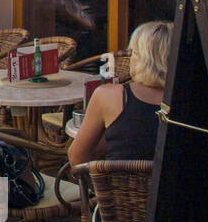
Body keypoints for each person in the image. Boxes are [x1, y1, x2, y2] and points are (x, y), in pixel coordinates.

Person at [68, 21, 172, 165]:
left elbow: (77, 157)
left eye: (133, 52)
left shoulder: (108, 96)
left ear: (140, 58)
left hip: (115, 187)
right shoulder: (192, 102)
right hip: (177, 187)